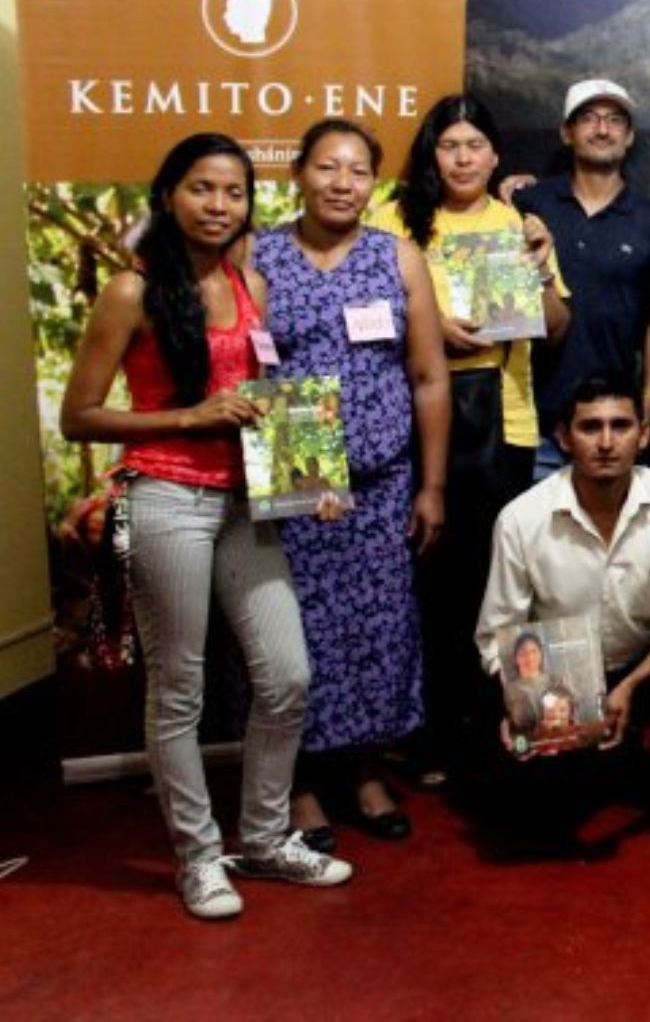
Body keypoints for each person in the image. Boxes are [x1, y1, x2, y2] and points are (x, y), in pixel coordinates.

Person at [59, 133, 351, 919]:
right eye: (201, 188)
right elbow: (77, 414)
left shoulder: (249, 279)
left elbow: (259, 397)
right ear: (167, 196)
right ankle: (197, 856)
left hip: (246, 503)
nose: (219, 205)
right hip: (166, 499)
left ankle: (262, 839)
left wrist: (309, 478)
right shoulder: (132, 290)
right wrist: (191, 413)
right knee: (180, 688)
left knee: (287, 675)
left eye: (233, 191)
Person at [258, 118, 450, 851]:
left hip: (383, 481)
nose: (343, 183)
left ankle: (366, 771)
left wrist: (430, 485)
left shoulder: (395, 257)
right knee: (297, 634)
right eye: (327, 168)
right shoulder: (260, 254)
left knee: (379, 629)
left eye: (359, 171)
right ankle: (302, 782)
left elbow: (429, 377)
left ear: (376, 182)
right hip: (293, 477)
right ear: (299, 174)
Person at [370, 93, 569, 784]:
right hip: (409, 413)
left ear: (494, 155)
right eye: (449, 145)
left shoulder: (513, 221)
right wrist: (427, 328)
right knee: (420, 577)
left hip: (501, 420)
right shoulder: (391, 219)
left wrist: (541, 263)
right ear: (432, 153)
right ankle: (415, 727)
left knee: (490, 580)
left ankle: (481, 727)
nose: (462, 157)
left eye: (474, 145)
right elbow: (358, 315)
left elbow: (556, 326)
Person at [476, 372, 650, 849]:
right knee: (523, 822)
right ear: (563, 437)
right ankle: (608, 760)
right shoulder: (521, 518)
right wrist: (521, 702)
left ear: (643, 435)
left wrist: (632, 684)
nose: (606, 442)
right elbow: (499, 632)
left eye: (620, 426)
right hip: (561, 682)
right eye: (590, 427)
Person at [513, 78, 650, 478]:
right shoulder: (528, 205)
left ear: (629, 134)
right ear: (567, 133)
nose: (602, 129)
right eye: (588, 118)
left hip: (612, 421)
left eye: (614, 119)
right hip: (536, 420)